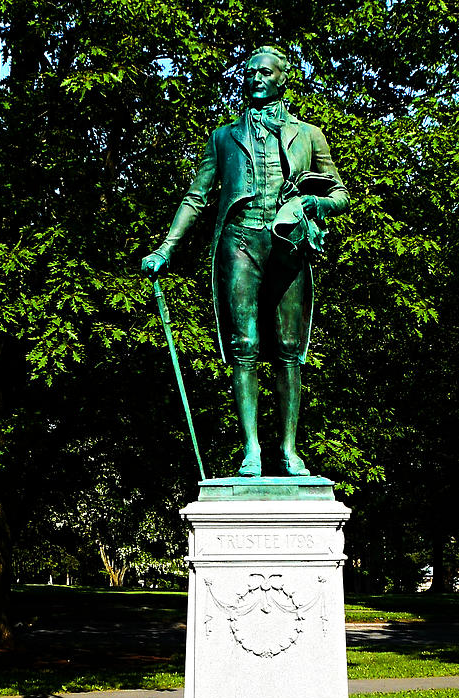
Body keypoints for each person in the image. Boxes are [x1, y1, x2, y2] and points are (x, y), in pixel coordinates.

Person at [142, 46, 349, 477]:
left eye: (264, 72)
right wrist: (166, 248)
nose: (254, 77)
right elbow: (197, 197)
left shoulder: (309, 135)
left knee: (290, 349)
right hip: (240, 241)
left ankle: (290, 449)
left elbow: (340, 195)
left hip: (289, 244)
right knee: (244, 347)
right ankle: (251, 449)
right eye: (249, 71)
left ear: (282, 79)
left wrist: (312, 201)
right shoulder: (223, 136)